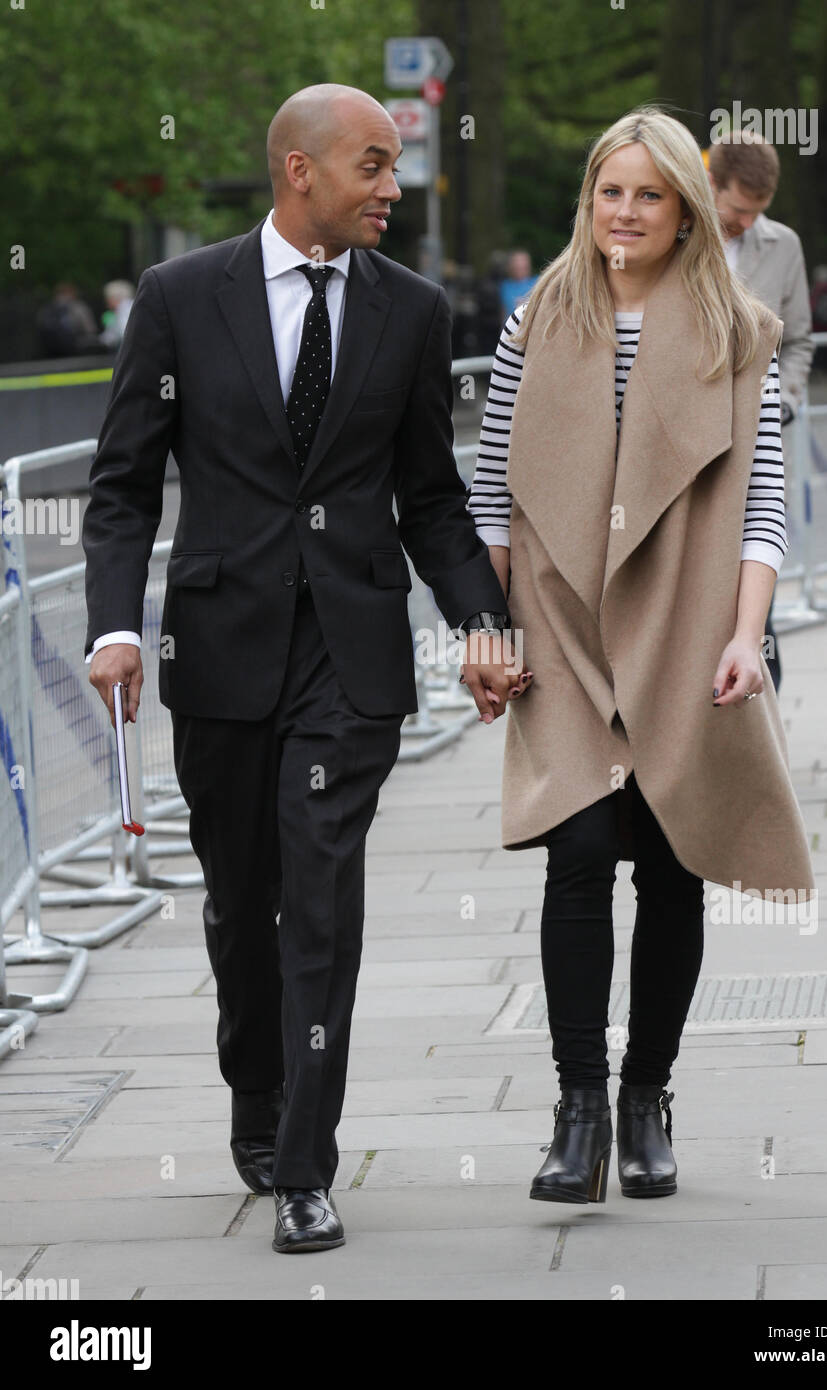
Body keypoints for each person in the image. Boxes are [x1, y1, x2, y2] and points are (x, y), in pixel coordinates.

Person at [82, 83, 523, 1253]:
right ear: (301, 173)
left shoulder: (415, 310)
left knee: (320, 902)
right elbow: (122, 484)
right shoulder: (182, 301)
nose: (393, 186)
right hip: (218, 653)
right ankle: (255, 1088)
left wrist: (485, 624)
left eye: (394, 165)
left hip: (351, 656)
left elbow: (430, 497)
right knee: (242, 905)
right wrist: (114, 626)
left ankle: (306, 1163)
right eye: (373, 166)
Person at [465, 105, 814, 1207]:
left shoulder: (736, 331)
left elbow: (762, 502)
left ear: (684, 211)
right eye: (609, 192)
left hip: (685, 627)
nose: (625, 212)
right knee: (576, 854)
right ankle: (577, 1106)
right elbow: (489, 496)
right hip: (562, 630)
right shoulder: (537, 320)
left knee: (671, 866)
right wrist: (490, 628)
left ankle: (647, 1092)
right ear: (590, 199)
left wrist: (745, 637)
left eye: (648, 195)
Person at [706, 132, 815, 692]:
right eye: (739, 209)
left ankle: (757, 734)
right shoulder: (676, 238)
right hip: (688, 447)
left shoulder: (784, 246)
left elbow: (798, 340)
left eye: (759, 212)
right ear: (710, 184)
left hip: (755, 451)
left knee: (756, 603)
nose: (748, 222)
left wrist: (787, 401)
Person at [99, 279, 136, 349]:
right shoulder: (131, 305)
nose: (106, 303)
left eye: (107, 298)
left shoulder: (123, 309)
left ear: (114, 297)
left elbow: (123, 332)